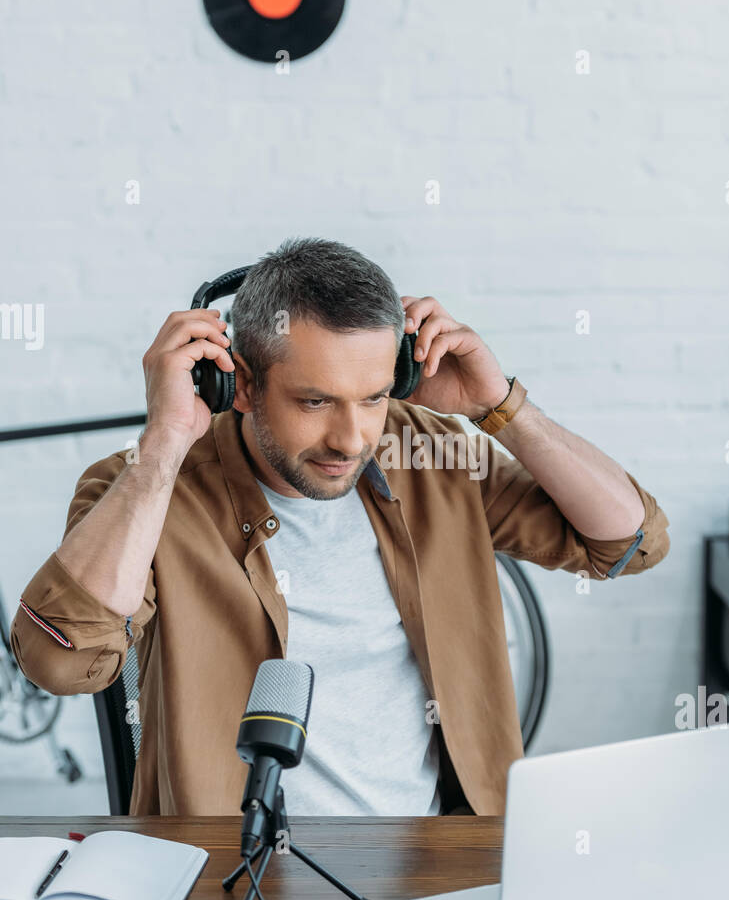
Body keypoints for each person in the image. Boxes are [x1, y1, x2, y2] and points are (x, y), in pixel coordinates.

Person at [11, 237, 670, 816]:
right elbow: (59, 663)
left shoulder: (430, 455)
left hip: (435, 871)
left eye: (375, 397)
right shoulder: (145, 483)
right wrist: (162, 445)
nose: (351, 438)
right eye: (315, 401)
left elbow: (627, 542)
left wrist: (499, 407)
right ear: (237, 385)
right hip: (231, 889)